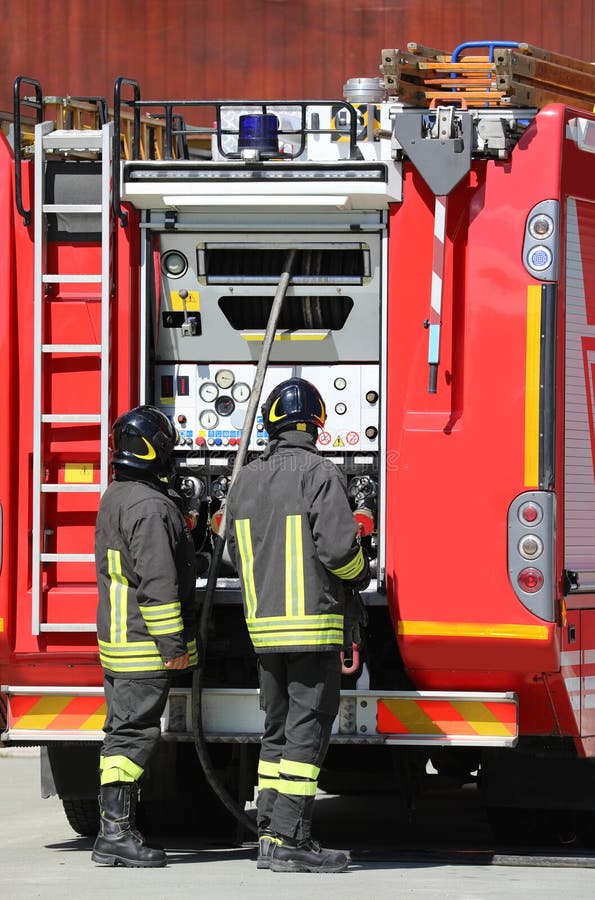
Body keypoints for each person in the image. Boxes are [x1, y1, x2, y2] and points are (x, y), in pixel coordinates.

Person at [226, 377, 370, 873]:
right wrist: (362, 573)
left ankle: (269, 834)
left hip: (263, 631)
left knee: (277, 732)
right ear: (316, 424)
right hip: (312, 630)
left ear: (271, 424)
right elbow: (339, 552)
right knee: (306, 732)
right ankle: (291, 838)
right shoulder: (320, 473)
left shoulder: (244, 478)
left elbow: (232, 552)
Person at [92, 405, 198, 868]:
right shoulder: (151, 508)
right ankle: (115, 834)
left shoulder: (117, 495)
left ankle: (112, 833)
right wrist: (174, 647)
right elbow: (157, 585)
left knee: (120, 733)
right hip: (143, 645)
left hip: (118, 640)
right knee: (133, 736)